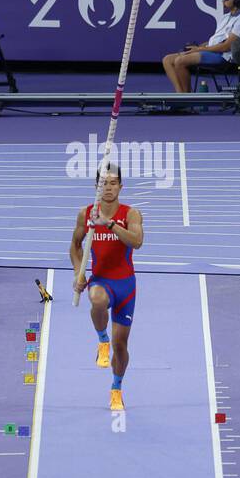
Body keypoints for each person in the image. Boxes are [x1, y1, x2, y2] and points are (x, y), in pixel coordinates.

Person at [69, 164, 144, 413]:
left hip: (126, 287)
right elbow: (75, 246)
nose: (108, 187)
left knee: (121, 346)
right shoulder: (85, 214)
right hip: (102, 280)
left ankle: (116, 388)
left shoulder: (131, 214)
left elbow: (137, 241)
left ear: (121, 186)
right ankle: (102, 341)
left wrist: (108, 223)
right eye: (104, 183)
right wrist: (79, 272)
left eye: (113, 183)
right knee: (97, 298)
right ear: (96, 186)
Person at [161, 0, 240, 93]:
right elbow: (215, 41)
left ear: (237, 0)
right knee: (167, 60)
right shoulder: (225, 17)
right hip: (211, 52)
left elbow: (226, 46)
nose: (223, 1)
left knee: (180, 61)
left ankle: (185, 97)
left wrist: (200, 50)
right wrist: (198, 47)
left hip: (223, 57)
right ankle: (180, 94)